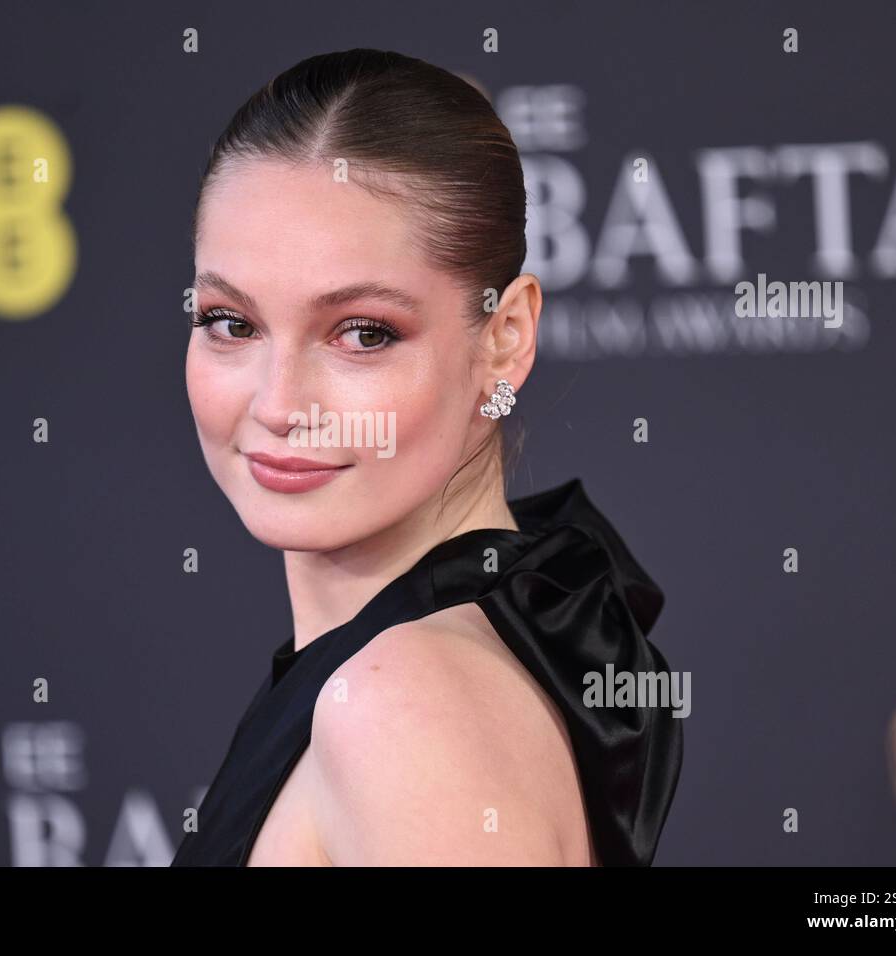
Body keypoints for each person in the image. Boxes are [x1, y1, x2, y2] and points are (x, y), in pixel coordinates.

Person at [172, 48, 682, 866]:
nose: (277, 405)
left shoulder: (398, 705)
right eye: (232, 322)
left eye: (364, 333)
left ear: (504, 340)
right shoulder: (419, 664)